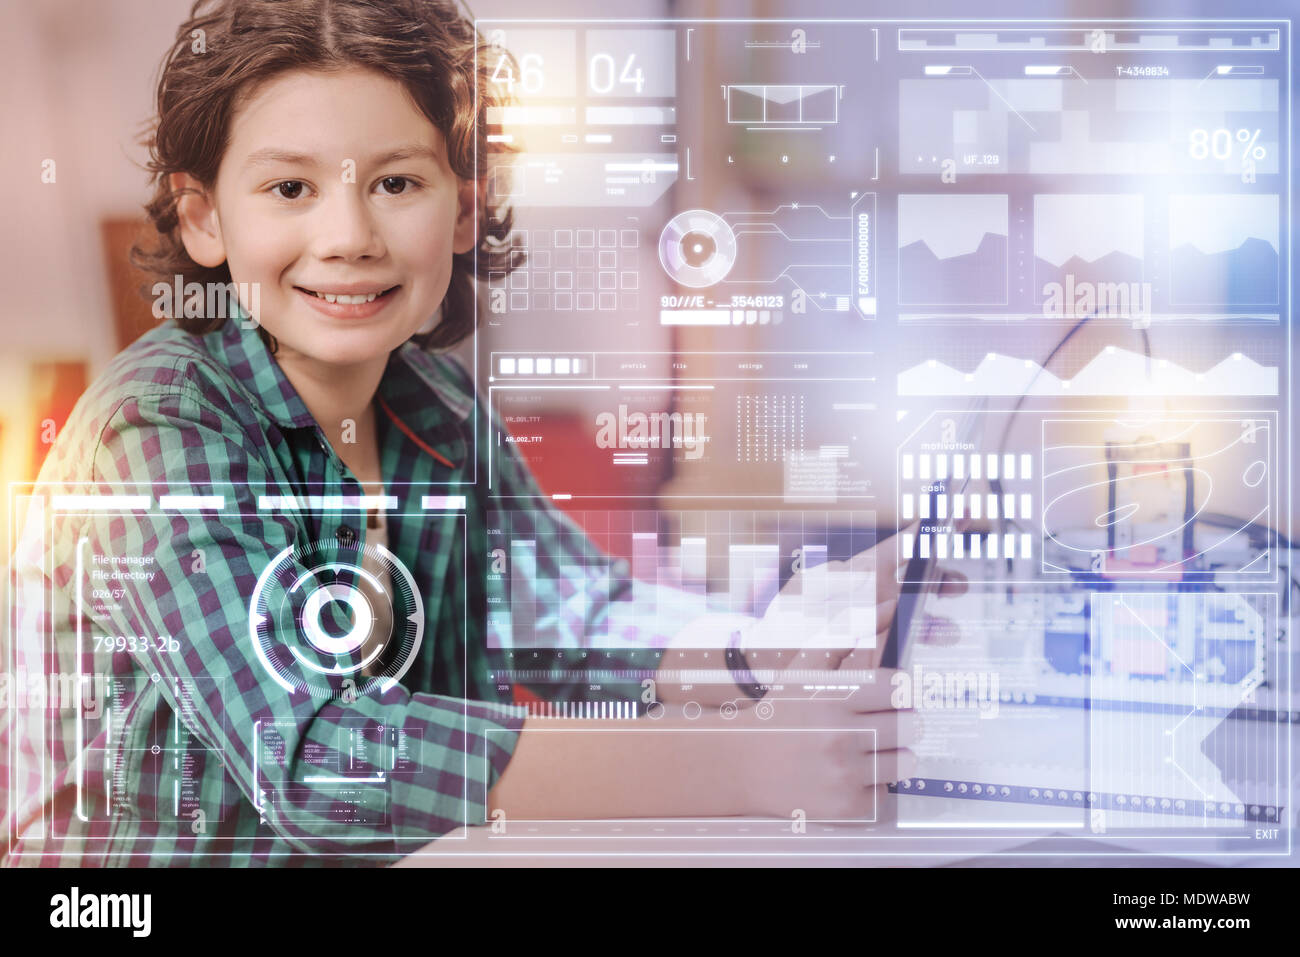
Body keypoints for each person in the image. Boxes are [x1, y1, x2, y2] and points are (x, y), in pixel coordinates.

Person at [1, 0, 916, 866]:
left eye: (397, 181)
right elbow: (318, 753)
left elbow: (574, 617)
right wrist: (748, 766)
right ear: (205, 216)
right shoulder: (155, 427)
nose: (349, 234)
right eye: (290, 186)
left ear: (467, 206)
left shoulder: (432, 402)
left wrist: (756, 648)